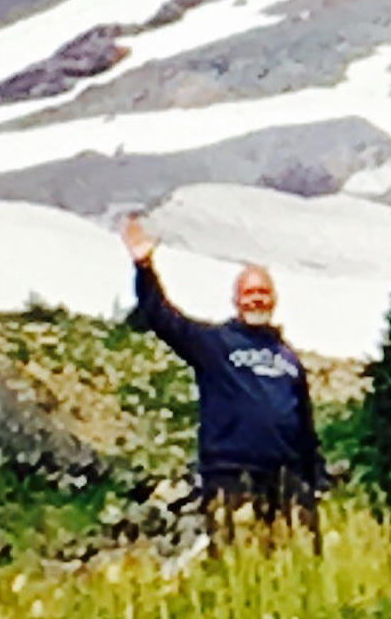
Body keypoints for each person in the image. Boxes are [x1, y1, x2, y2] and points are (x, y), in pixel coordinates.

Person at [118, 214, 325, 544]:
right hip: (232, 474)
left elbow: (305, 422)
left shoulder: (288, 359)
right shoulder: (215, 344)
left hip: (288, 480)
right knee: (237, 563)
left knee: (297, 566)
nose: (256, 298)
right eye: (249, 292)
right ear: (237, 300)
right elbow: (163, 318)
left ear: (273, 299)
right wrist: (144, 267)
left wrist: (316, 478)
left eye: (262, 292)